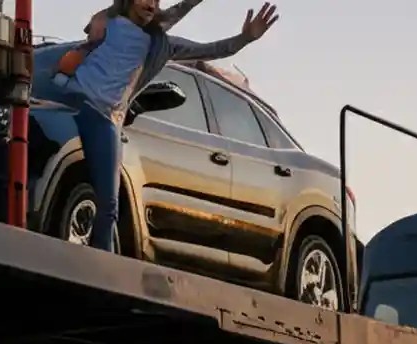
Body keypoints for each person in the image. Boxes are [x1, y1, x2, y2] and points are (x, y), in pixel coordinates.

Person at [50, 0, 279, 253]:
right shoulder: (107, 23)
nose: (151, 3)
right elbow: (66, 63)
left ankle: (98, 270)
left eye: (156, 0)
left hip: (105, 118)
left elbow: (211, 48)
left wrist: (245, 38)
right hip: (73, 102)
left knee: (109, 206)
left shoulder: (160, 45)